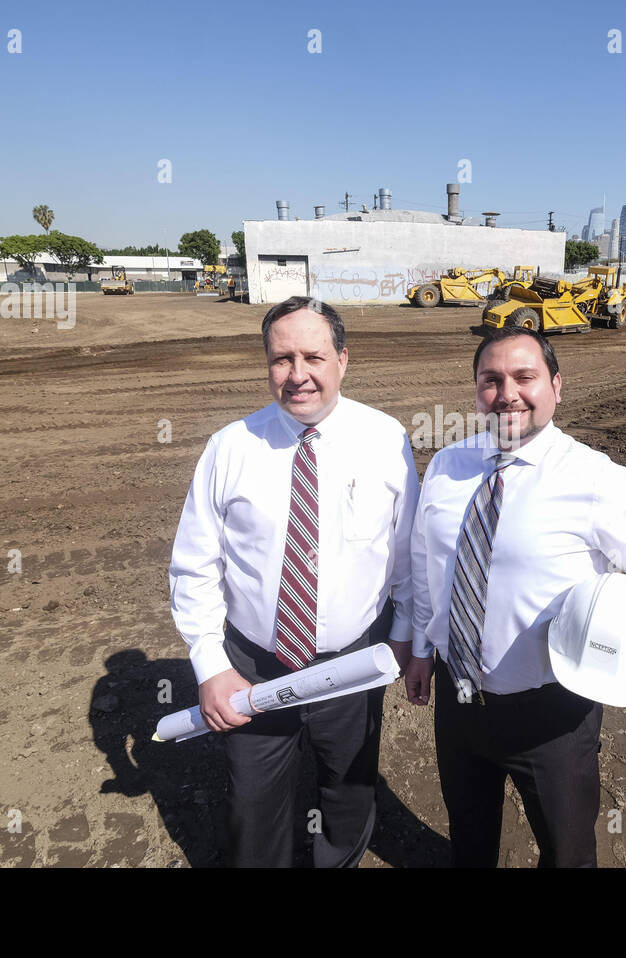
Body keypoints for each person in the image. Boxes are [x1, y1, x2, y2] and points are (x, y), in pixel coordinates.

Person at [405, 326, 626, 867]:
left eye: (524, 377)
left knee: (567, 852)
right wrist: (421, 648)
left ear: (556, 386)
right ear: (476, 390)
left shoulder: (595, 480)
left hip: (553, 714)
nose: (507, 394)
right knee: (469, 841)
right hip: (459, 701)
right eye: (491, 380)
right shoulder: (448, 467)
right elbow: (427, 564)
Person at [169, 295, 418, 867]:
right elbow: (194, 565)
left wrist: (405, 633)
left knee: (349, 790)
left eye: (314, 357)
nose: (298, 374)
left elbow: (407, 552)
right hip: (253, 666)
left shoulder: (385, 438)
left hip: (352, 663)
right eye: (282, 359)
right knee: (254, 805)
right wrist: (210, 665)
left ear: (343, 360)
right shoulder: (230, 447)